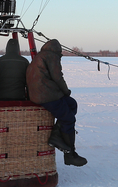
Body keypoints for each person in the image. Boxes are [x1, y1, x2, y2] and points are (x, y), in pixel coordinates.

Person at [26, 39, 87, 167]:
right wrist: (66, 91)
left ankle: (56, 135)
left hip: (39, 94)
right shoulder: (51, 56)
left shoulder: (40, 56)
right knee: (68, 119)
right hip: (47, 95)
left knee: (71, 104)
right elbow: (57, 76)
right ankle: (70, 154)